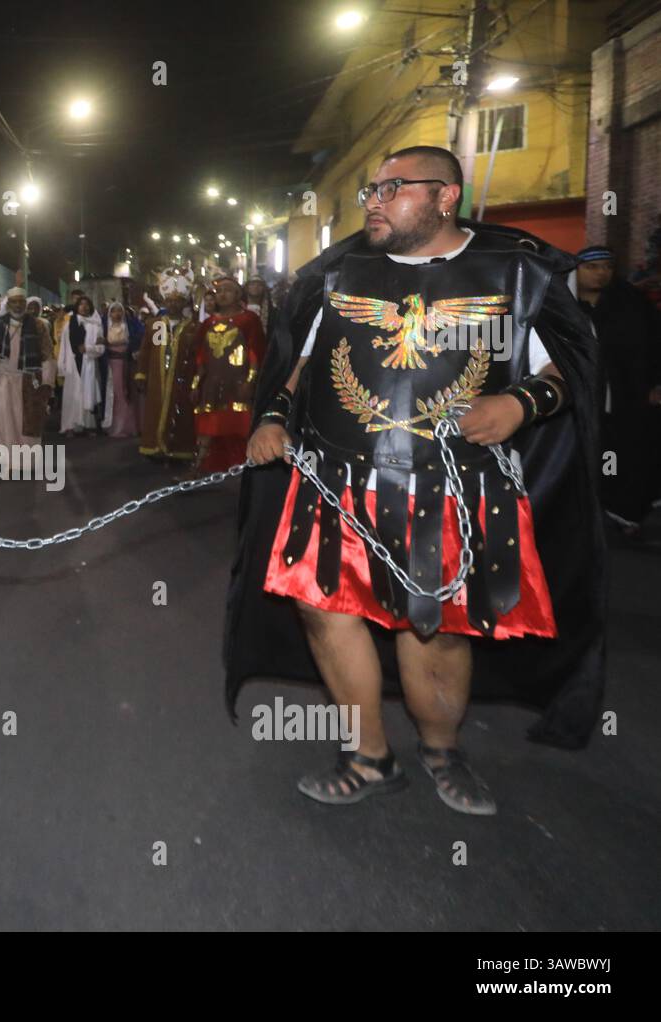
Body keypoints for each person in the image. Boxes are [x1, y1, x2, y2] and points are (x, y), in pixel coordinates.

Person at [227, 146, 605, 815]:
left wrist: (518, 405)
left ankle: (440, 748)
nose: (372, 199)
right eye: (372, 188)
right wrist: (275, 418)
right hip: (336, 482)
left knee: (436, 625)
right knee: (324, 613)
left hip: (456, 489)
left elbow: (567, 370)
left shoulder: (516, 272)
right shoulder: (340, 272)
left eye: (392, 188)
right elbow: (301, 362)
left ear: (445, 195)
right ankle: (368, 755)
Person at [574, 245, 661, 536]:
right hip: (584, 398)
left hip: (626, 394)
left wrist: (654, 382)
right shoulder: (565, 304)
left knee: (629, 452)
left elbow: (652, 344)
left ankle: (623, 512)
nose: (601, 274)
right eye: (592, 267)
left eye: (607, 267)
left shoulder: (629, 304)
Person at [189, 275, 265, 474]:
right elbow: (200, 358)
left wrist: (250, 381)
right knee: (208, 426)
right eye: (219, 291)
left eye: (228, 290)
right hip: (212, 384)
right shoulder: (209, 323)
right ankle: (198, 467)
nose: (222, 295)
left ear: (238, 294)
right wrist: (196, 384)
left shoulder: (249, 320)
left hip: (238, 382)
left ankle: (246, 469)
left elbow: (256, 353)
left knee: (240, 426)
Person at [135, 267, 199, 461]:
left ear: (184, 302)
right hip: (157, 379)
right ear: (164, 301)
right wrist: (141, 375)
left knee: (181, 413)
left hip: (182, 380)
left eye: (177, 301)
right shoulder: (156, 325)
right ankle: (153, 447)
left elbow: (197, 356)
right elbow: (146, 352)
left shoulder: (192, 327)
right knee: (154, 411)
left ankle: (179, 449)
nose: (173, 304)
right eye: (169, 301)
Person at [0, 286, 54, 454]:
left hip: (30, 381)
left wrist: (47, 383)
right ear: (8, 304)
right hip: (3, 382)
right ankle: (8, 458)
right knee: (5, 421)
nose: (17, 306)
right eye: (14, 302)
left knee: (28, 422)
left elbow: (48, 356)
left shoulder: (38, 326)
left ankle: (26, 460)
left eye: (21, 302)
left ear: (25, 303)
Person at [58, 295, 104, 435]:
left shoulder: (96, 325)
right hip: (73, 365)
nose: (84, 307)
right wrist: (62, 366)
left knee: (87, 392)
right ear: (77, 307)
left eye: (87, 304)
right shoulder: (69, 324)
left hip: (89, 364)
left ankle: (88, 425)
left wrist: (88, 349)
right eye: (81, 304)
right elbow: (64, 347)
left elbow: (101, 347)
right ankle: (70, 426)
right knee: (72, 395)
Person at [103, 301, 138, 437]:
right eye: (113, 311)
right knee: (114, 393)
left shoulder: (126, 327)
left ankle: (125, 425)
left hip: (125, 363)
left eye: (119, 311)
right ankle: (113, 424)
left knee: (124, 392)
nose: (116, 314)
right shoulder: (106, 328)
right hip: (110, 364)